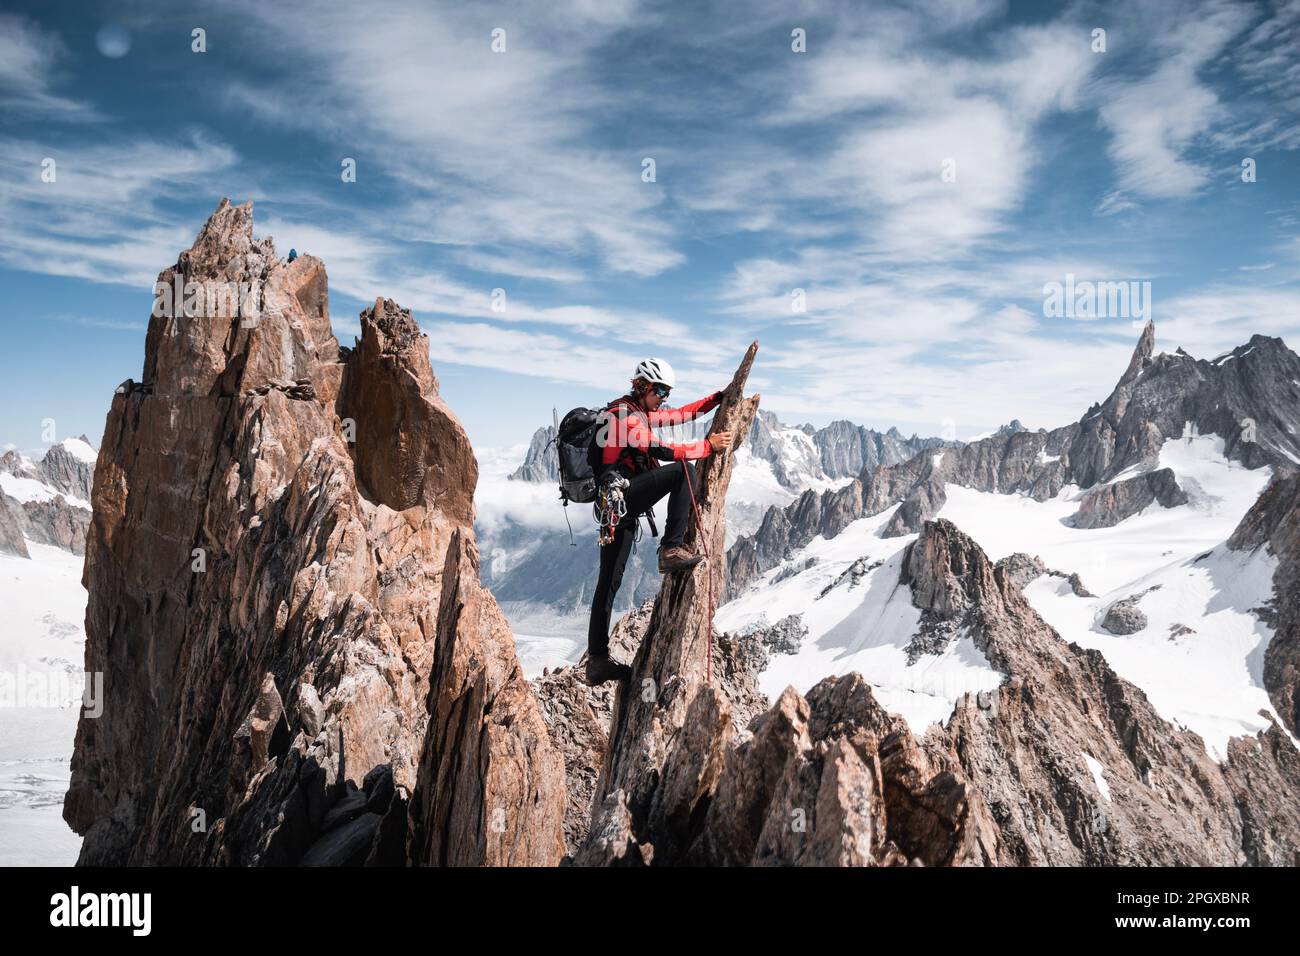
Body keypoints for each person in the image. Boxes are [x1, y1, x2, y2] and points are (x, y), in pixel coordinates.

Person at [585, 357, 733, 685]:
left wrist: (717, 398)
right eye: (660, 390)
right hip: (622, 501)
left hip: (616, 506)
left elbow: (683, 415)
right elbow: (660, 450)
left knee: (608, 582)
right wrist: (707, 446)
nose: (664, 397)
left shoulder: (639, 412)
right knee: (683, 470)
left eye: (667, 391)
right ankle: (671, 548)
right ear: (642, 386)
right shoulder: (623, 415)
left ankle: (596, 661)